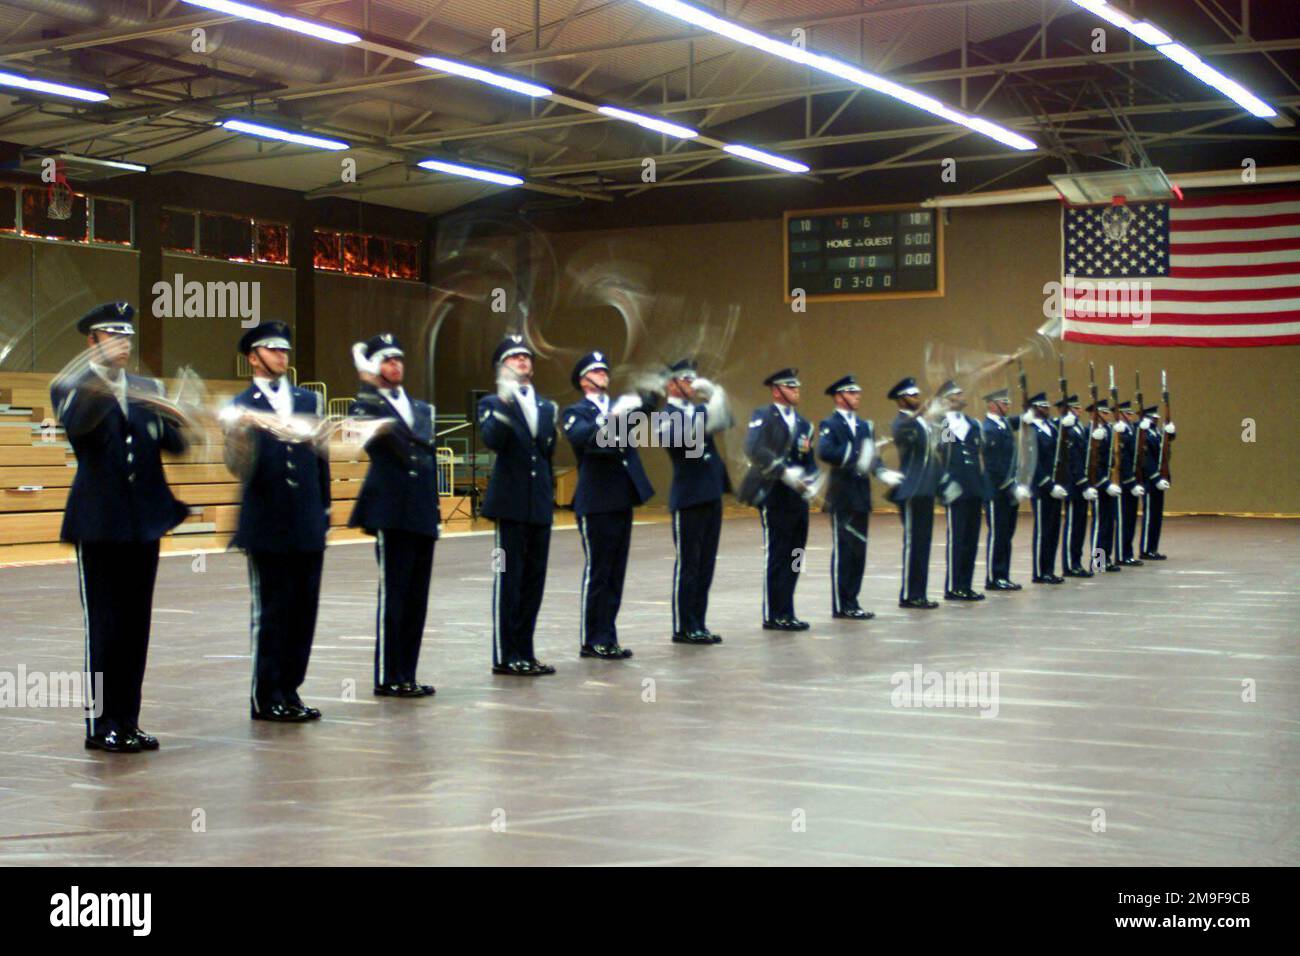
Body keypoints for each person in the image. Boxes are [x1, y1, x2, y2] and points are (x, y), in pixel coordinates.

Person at [51, 302, 189, 753]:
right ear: (91, 342)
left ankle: (127, 720)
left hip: (143, 521)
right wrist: (111, 389)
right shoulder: (73, 387)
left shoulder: (147, 386)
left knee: (136, 626)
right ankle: (101, 723)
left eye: (127, 336)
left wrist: (178, 413)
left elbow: (175, 444)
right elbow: (79, 430)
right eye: (113, 335)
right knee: (105, 627)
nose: (124, 344)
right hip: (99, 521)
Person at [222, 321, 330, 722]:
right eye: (272, 349)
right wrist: (237, 433)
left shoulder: (307, 400)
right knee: (271, 611)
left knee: (304, 610)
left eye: (285, 349)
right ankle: (266, 695)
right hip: (266, 520)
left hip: (305, 518)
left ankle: (291, 689)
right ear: (253, 357)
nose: (282, 355)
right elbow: (236, 466)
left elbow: (320, 458)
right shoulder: (240, 404)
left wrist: (324, 509)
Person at [347, 334, 438, 698]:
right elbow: (363, 434)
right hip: (391, 510)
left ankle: (408, 673)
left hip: (420, 510)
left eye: (398, 359)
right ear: (373, 367)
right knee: (395, 595)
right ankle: (389, 676)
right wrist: (366, 386)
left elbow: (423, 451)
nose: (395, 365)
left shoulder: (421, 408)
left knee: (417, 598)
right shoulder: (366, 405)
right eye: (386, 360)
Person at [561, 350, 654, 659]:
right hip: (596, 500)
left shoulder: (618, 409)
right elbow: (590, 440)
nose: (603, 375)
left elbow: (644, 414)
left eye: (605, 371)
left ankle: (608, 635)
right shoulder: (576, 412)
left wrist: (652, 391)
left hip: (620, 498)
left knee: (616, 572)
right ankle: (592, 639)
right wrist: (615, 417)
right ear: (583, 380)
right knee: (599, 571)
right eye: (596, 371)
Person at [477, 334, 559, 675]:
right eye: (513, 357)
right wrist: (507, 401)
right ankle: (506, 654)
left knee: (533, 582)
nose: (522, 361)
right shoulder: (491, 403)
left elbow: (547, 450)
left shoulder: (546, 406)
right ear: (502, 367)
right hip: (509, 506)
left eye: (526, 357)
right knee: (508, 577)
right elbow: (493, 440)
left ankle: (525, 650)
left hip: (538, 503)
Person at [815, 375, 902, 619]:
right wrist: (856, 456)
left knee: (858, 551)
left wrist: (882, 471)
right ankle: (842, 605)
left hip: (861, 495)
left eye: (857, 393)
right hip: (842, 495)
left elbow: (872, 455)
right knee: (844, 550)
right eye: (852, 393)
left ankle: (853, 600)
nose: (857, 397)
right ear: (839, 396)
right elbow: (825, 451)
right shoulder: (830, 424)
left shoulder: (865, 426)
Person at [737, 368, 818, 631]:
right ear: (776, 390)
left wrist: (813, 480)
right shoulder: (764, 416)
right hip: (774, 493)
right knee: (777, 552)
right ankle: (774, 613)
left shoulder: (805, 424)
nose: (796, 391)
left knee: (797, 553)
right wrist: (783, 471)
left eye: (797, 387)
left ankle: (788, 608)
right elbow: (754, 448)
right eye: (790, 387)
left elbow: (809, 460)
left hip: (798, 497)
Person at [660, 358, 730, 644]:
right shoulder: (666, 415)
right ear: (670, 385)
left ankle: (698, 621)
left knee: (705, 564)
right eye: (685, 380)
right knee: (689, 564)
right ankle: (683, 625)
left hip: (711, 493)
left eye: (693, 379)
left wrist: (715, 395)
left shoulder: (699, 410)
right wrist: (710, 405)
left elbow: (724, 420)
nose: (691, 384)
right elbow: (685, 439)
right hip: (689, 496)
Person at [888, 377, 941, 609]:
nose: (918, 399)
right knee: (913, 542)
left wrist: (940, 419)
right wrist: (924, 415)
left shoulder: (922, 423)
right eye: (912, 395)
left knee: (923, 542)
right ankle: (910, 594)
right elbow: (907, 441)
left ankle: (919, 591)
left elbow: (941, 444)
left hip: (926, 487)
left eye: (918, 395)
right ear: (901, 399)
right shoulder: (902, 423)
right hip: (911, 488)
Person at [936, 381, 989, 601]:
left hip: (974, 487)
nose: (960, 396)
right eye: (955, 394)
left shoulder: (972, 424)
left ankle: (965, 584)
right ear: (946, 400)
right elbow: (943, 453)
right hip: (957, 488)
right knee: (957, 539)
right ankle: (954, 586)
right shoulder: (943, 425)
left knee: (971, 539)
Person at [980, 388, 1027, 591]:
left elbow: (1014, 422)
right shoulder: (988, 428)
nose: (1008, 406)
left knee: (1007, 534)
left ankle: (1003, 574)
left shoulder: (1003, 424)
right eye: (1004, 403)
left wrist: (1027, 416)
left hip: (1009, 489)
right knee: (999, 533)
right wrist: (1012, 485)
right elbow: (994, 464)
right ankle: (994, 577)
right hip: (996, 490)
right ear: (992, 404)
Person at [1026, 392, 1067, 584]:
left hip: (1059, 486)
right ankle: (1042, 571)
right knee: (1045, 531)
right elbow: (1033, 462)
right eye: (1042, 406)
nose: (1046, 409)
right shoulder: (1031, 429)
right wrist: (1048, 484)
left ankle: (1100, 562)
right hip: (1043, 488)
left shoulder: (1052, 427)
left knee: (1053, 531)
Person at [1058, 395, 1093, 578]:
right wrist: (1085, 483)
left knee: (1109, 526)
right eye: (1075, 408)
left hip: (1094, 485)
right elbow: (1074, 461)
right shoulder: (1069, 430)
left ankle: (1106, 561)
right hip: (1082, 485)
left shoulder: (1083, 429)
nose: (1079, 411)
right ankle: (1096, 563)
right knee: (1097, 528)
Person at [1087, 399, 1123, 573]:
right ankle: (1098, 561)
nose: (1107, 416)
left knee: (1109, 523)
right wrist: (1105, 483)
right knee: (1100, 524)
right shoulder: (1091, 432)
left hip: (1110, 483)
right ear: (1095, 414)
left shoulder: (1108, 431)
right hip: (1100, 484)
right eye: (1104, 413)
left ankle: (1106, 557)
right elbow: (1094, 464)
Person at [1140, 406, 1175, 560]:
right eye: (1153, 417)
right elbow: (1146, 459)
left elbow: (1165, 447)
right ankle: (1145, 550)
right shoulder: (1144, 433)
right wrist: (1155, 478)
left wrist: (1171, 432)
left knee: (1156, 517)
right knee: (1148, 518)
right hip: (1149, 482)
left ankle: (1152, 548)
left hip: (1159, 480)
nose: (1156, 419)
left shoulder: (1156, 432)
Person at [1114, 400, 1145, 567]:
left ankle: (1125, 554)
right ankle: (1101, 562)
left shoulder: (1130, 430)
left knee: (1129, 522)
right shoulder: (1115, 432)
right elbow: (1122, 459)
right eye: (1127, 413)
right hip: (1117, 484)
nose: (1131, 416)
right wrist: (1130, 481)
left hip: (1128, 483)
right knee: (1102, 528)